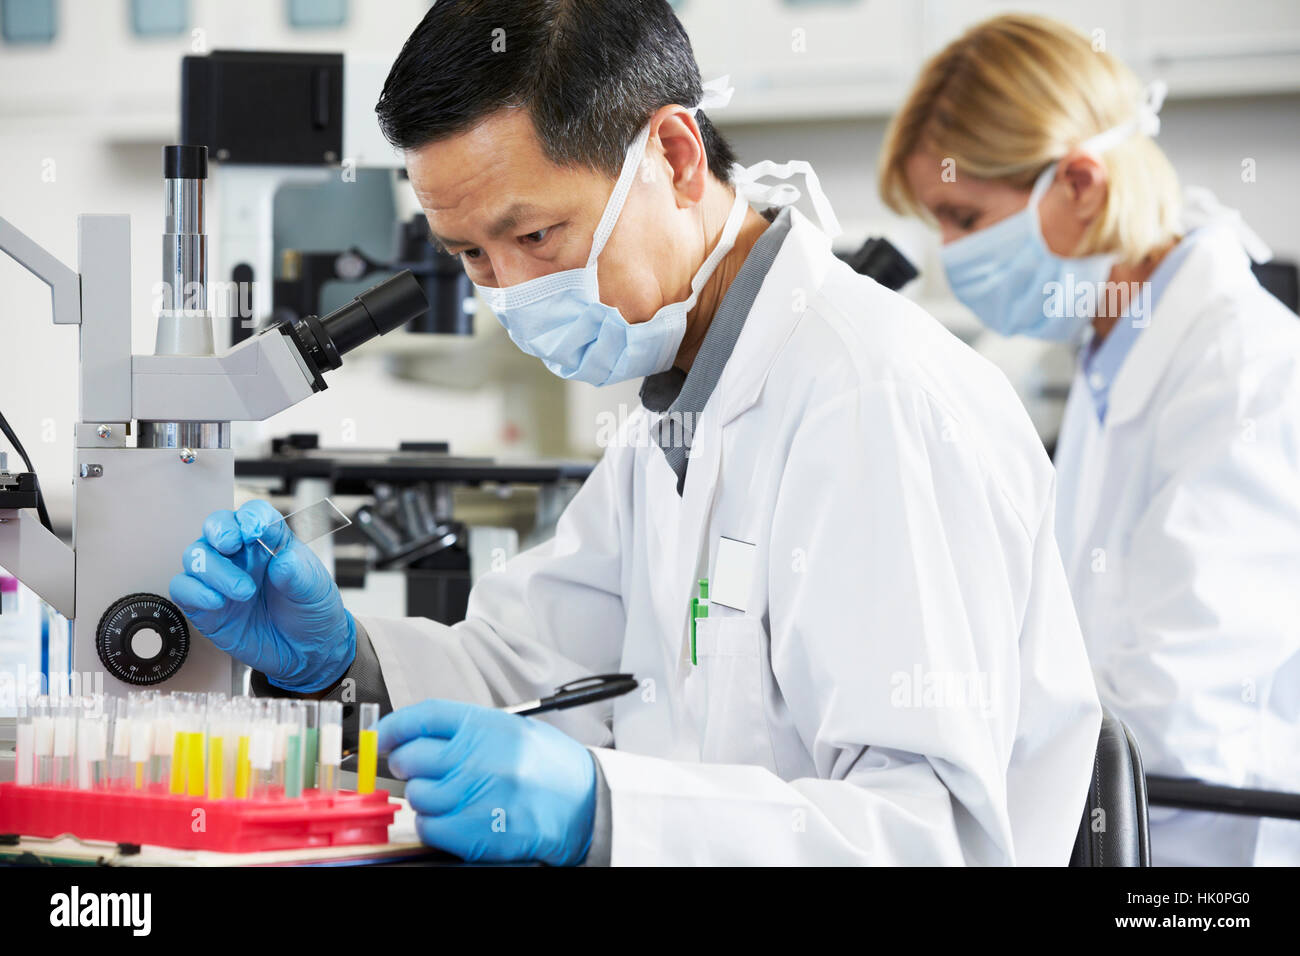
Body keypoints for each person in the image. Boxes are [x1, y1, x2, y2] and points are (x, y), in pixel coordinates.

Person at [170, 0, 1100, 866]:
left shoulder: (875, 400)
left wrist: (607, 812)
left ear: (676, 156)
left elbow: (931, 835)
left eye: (535, 236)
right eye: (470, 257)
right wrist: (345, 659)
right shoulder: (680, 400)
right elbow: (540, 669)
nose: (509, 293)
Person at [878, 13, 1300, 866]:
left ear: (1079, 184)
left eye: (963, 217)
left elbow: (1173, 707)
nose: (950, 254)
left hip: (1198, 862)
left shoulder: (1247, 371)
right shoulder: (1111, 346)